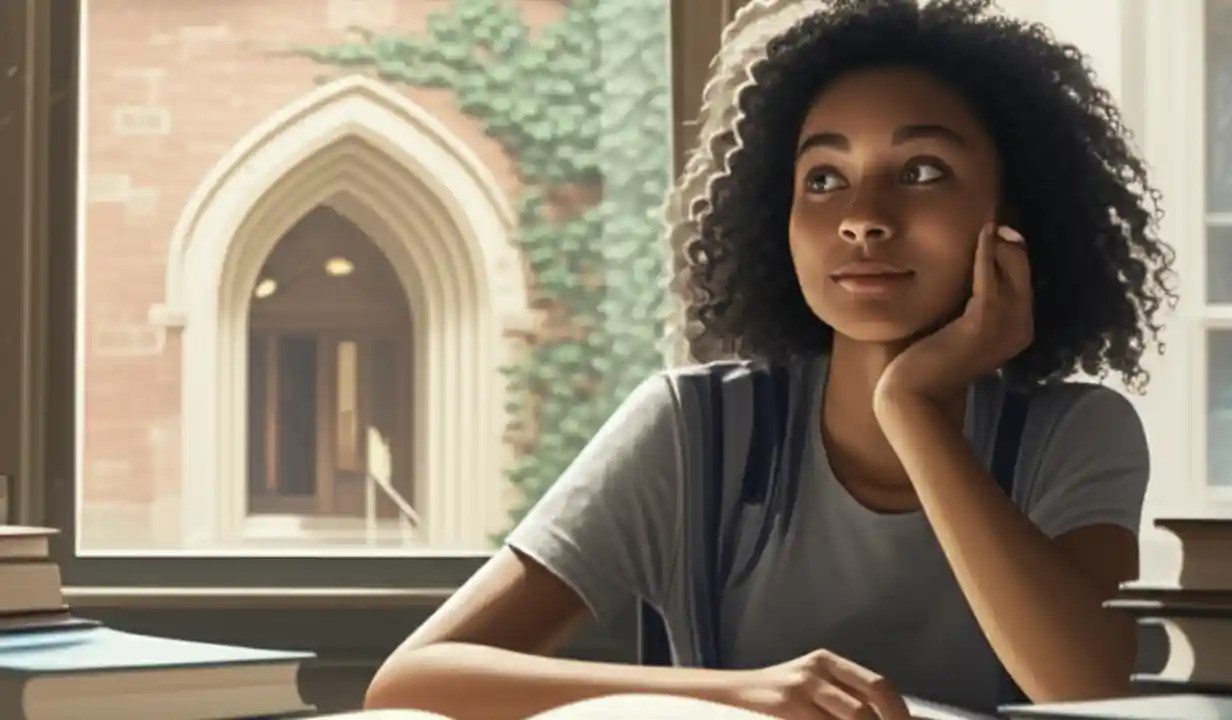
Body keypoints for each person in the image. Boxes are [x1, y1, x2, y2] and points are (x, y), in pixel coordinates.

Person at [363, 0, 1178, 718]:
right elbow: (414, 680)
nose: (862, 218)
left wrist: (913, 406)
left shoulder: (1077, 433)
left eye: (922, 172)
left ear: (1014, 215)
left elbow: (1087, 691)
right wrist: (739, 694)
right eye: (823, 179)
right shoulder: (694, 429)